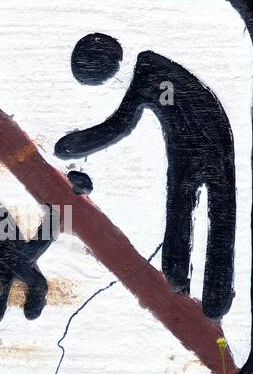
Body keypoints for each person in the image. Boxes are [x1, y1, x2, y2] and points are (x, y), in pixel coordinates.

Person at [55, 32, 235, 319]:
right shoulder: (150, 70)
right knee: (196, 212)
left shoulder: (148, 72)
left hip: (203, 148)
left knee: (200, 212)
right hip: (193, 147)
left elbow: (118, 125)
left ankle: (205, 295)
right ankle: (196, 292)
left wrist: (68, 147)